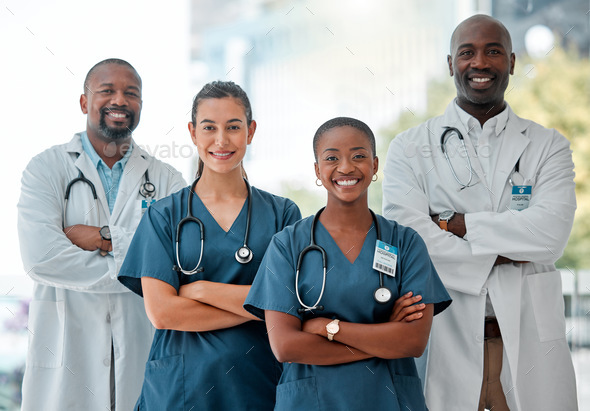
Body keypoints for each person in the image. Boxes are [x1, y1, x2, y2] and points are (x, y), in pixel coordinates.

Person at [382, 14, 578, 411]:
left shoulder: (547, 145)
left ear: (512, 62)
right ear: (450, 63)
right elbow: (412, 242)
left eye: (494, 51)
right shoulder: (409, 147)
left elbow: (550, 235)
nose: (480, 63)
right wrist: (510, 248)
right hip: (445, 334)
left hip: (528, 341)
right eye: (467, 53)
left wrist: (455, 224)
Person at [244, 117, 451, 410]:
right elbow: (286, 346)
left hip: (389, 399)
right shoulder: (288, 245)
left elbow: (412, 341)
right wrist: (383, 337)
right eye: (332, 158)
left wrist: (328, 328)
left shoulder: (405, 243)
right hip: (312, 401)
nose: (346, 168)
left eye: (358, 156)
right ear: (317, 169)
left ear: (375, 165)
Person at [117, 80, 301, 410]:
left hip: (257, 385)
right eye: (209, 127)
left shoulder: (282, 214)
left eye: (233, 127)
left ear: (251, 131)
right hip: (181, 390)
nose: (221, 140)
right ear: (192, 132)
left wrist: (200, 290)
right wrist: (258, 306)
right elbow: (162, 312)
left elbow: (289, 307)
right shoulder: (164, 216)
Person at [17, 58, 187, 411]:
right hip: (66, 353)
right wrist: (141, 267)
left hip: (141, 349)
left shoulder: (167, 178)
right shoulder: (46, 169)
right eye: (107, 90)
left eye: (131, 93)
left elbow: (180, 259)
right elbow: (43, 259)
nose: (120, 101)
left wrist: (104, 238)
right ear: (84, 102)